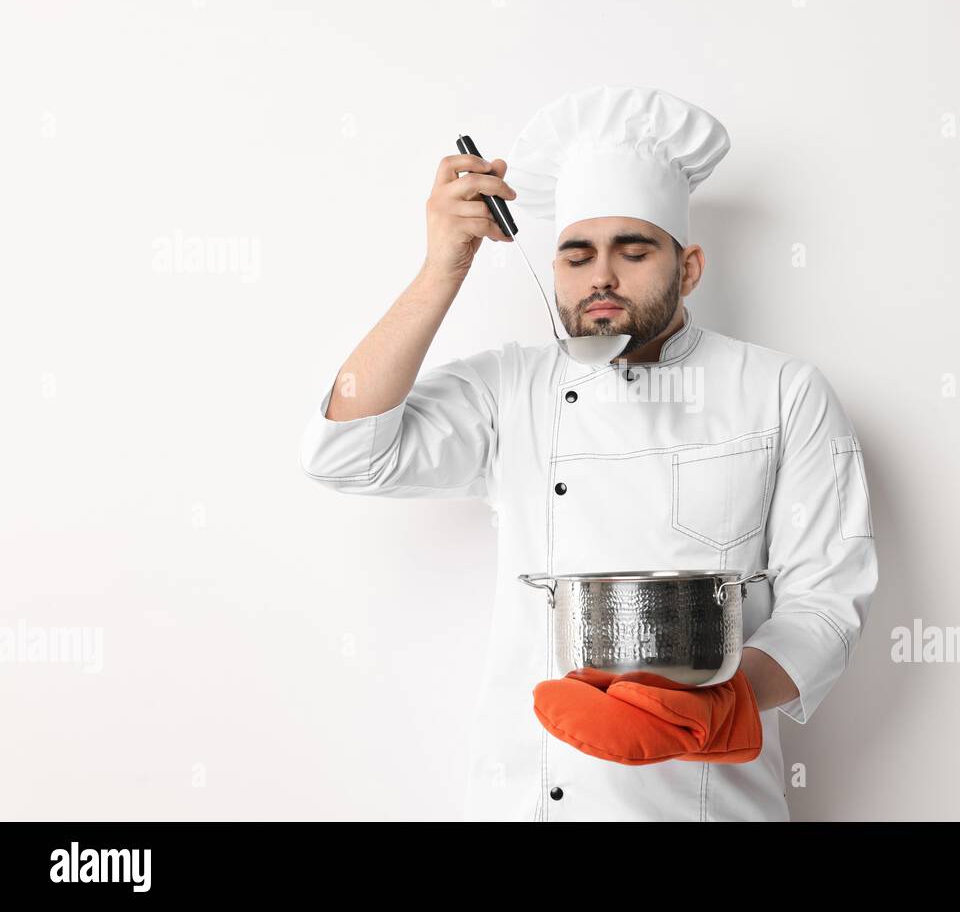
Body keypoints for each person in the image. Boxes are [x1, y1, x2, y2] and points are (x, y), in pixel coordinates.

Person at [299, 84, 879, 821]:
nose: (601, 275)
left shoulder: (782, 391)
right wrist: (444, 266)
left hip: (701, 804)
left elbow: (828, 601)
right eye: (577, 254)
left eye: (633, 250)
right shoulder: (513, 389)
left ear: (690, 266)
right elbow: (346, 451)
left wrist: (719, 707)